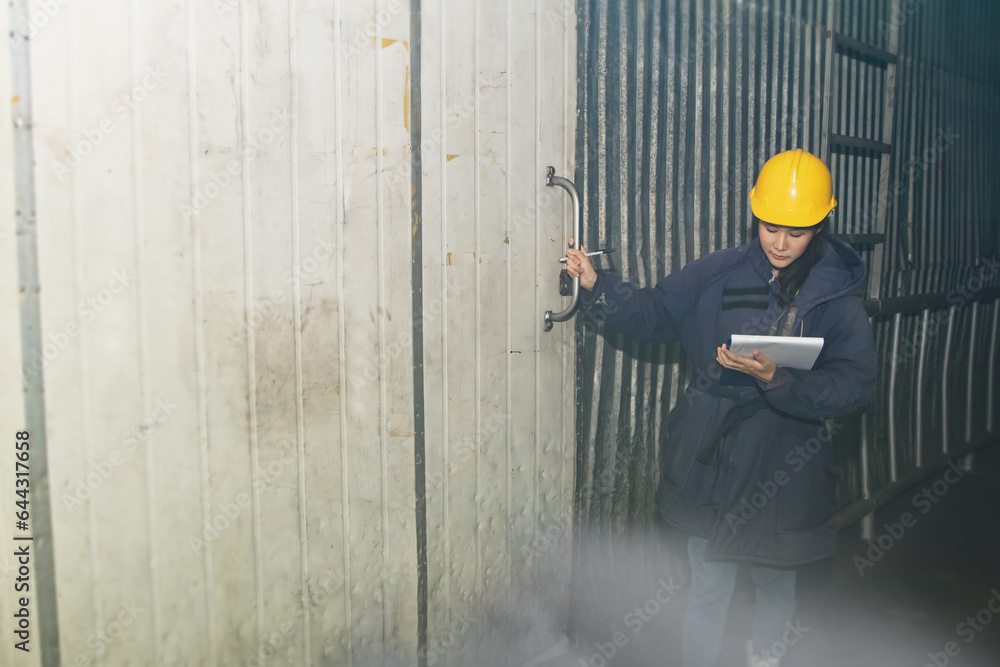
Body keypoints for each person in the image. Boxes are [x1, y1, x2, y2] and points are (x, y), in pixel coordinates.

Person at [565, 149, 878, 667]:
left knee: (777, 584)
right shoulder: (719, 272)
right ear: (755, 215)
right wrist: (601, 288)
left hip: (787, 463)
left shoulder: (837, 298)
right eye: (770, 226)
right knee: (708, 586)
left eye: (796, 232)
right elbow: (657, 314)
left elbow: (855, 385)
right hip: (712, 457)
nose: (780, 243)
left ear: (820, 224)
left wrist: (778, 380)